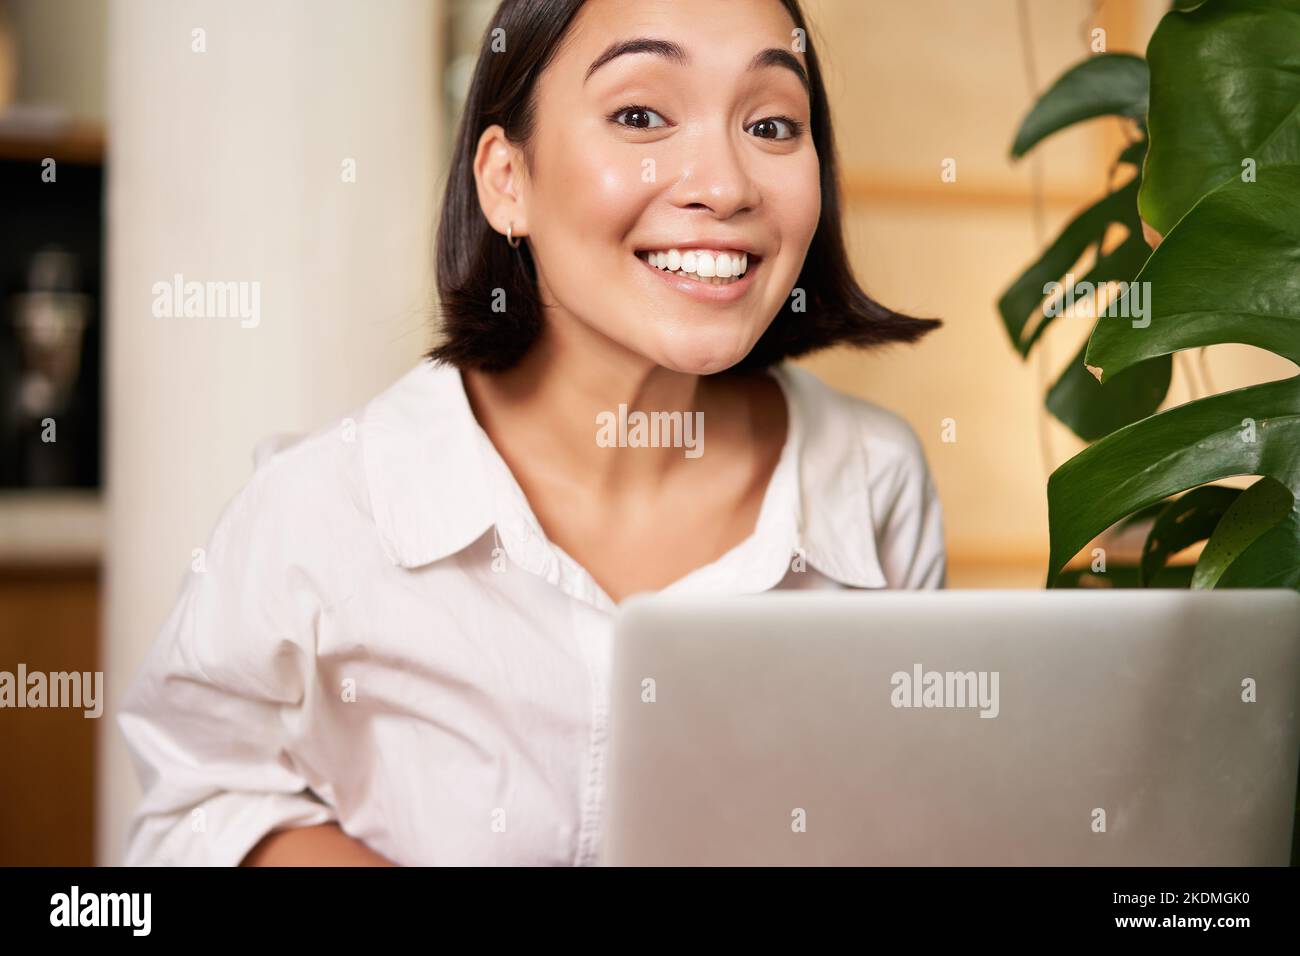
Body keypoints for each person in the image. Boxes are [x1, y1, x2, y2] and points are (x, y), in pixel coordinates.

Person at [119, 0, 946, 867]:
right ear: (507, 178)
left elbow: (906, 815)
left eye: (773, 123)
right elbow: (197, 809)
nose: (726, 185)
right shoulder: (324, 509)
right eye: (640, 115)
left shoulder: (874, 482)